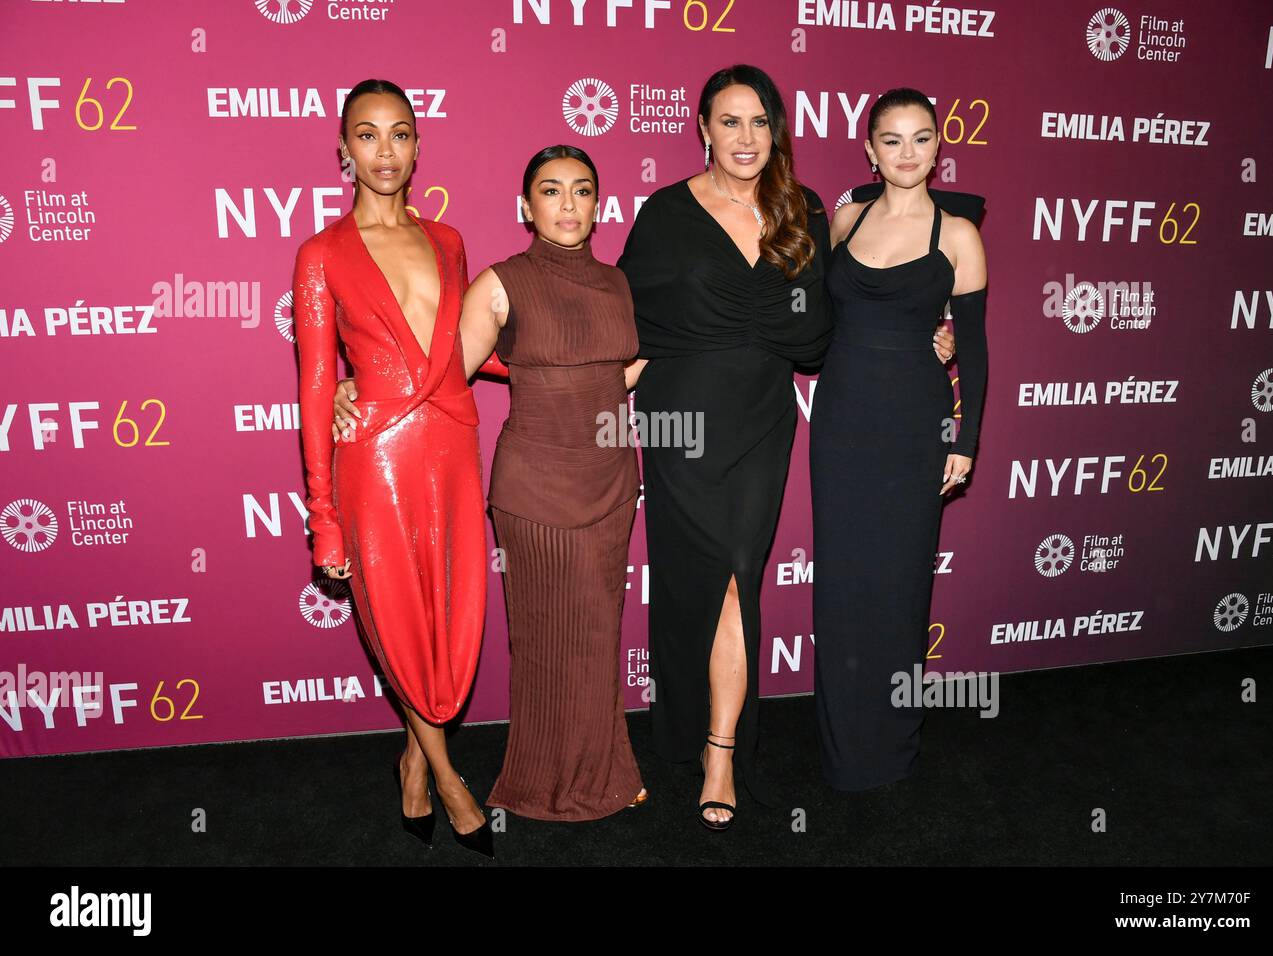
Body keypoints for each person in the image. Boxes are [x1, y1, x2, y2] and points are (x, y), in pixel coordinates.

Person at [616, 65, 955, 830]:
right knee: (689, 588)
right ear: (702, 128)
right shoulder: (666, 214)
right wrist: (578, 397)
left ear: (777, 131)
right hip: (682, 423)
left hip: (763, 419)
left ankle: (721, 751)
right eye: (729, 122)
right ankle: (689, 731)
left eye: (759, 122)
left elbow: (841, 312)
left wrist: (921, 338)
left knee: (740, 578)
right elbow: (622, 322)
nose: (745, 137)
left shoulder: (801, 209)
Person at [332, 146, 647, 821]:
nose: (568, 205)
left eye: (582, 191)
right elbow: (442, 375)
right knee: (543, 640)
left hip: (612, 483)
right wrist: (360, 389)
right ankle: (540, 783)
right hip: (536, 488)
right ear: (525, 207)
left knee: (598, 637)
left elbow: (618, 372)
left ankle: (605, 769)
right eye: (551, 191)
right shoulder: (501, 283)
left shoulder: (620, 283)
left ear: (600, 203)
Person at [292, 78, 492, 856]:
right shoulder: (320, 254)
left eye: (400, 134)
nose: (385, 150)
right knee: (399, 625)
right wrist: (324, 517)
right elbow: (315, 386)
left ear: (418, 146)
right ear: (344, 149)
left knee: (449, 618)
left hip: (451, 451)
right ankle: (448, 778)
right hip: (372, 462)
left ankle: (412, 759)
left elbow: (462, 352)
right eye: (367, 135)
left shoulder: (448, 241)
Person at [810, 87, 989, 791]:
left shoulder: (960, 236)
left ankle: (889, 749)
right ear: (870, 149)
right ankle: (839, 746)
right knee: (843, 587)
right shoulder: (845, 219)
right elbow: (817, 320)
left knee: (901, 587)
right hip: (842, 420)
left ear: (940, 147)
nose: (908, 152)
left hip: (916, 426)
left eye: (922, 138)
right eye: (893, 139)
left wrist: (964, 439)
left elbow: (973, 351)